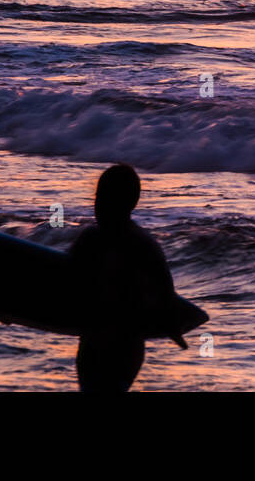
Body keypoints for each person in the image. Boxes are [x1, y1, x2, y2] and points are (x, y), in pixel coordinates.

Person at [68, 164, 184, 392]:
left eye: (105, 198)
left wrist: (173, 327)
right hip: (91, 340)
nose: (97, 205)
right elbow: (62, 280)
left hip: (125, 346)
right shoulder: (88, 239)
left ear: (128, 203)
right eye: (97, 197)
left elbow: (164, 292)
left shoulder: (142, 245)